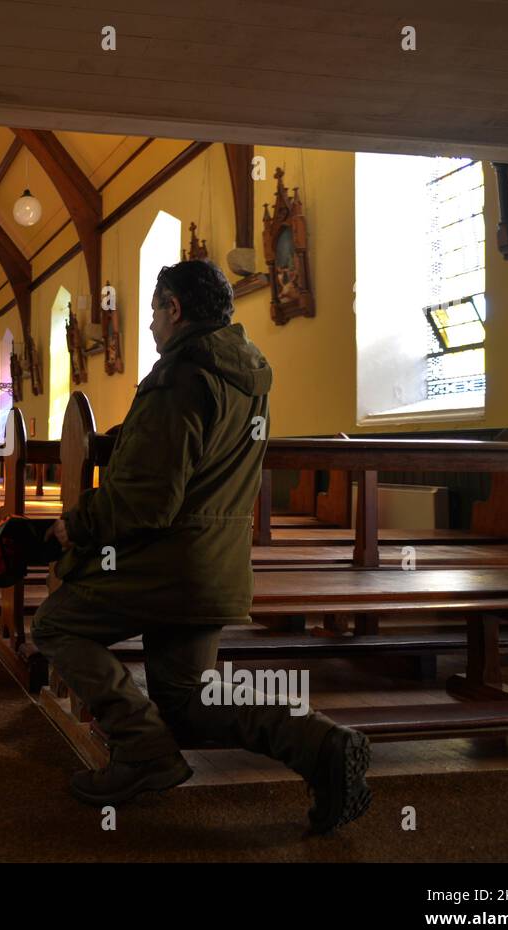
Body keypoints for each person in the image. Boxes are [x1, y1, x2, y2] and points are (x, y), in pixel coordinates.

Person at [33, 259, 371, 834]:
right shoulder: (246, 377)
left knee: (56, 625)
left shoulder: (180, 376)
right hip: (215, 564)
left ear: (175, 309)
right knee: (188, 698)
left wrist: (79, 524)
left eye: (155, 311)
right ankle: (320, 744)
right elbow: (195, 455)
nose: (150, 326)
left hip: (164, 565)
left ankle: (142, 749)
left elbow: (148, 498)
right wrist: (127, 439)